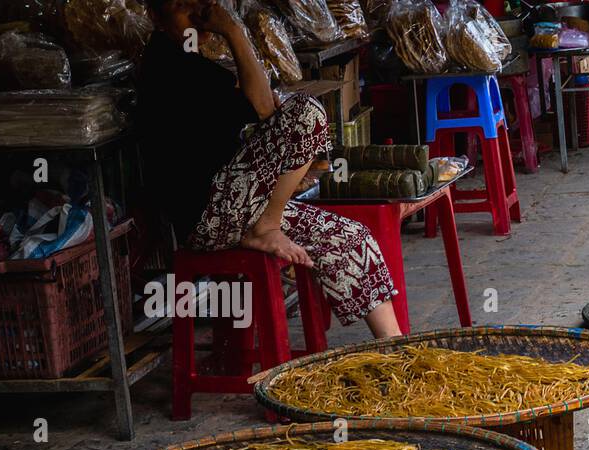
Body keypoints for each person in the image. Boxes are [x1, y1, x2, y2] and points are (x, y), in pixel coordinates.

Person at [136, 0, 400, 338]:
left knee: (351, 238)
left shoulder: (195, 64)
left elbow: (258, 105)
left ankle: (397, 352)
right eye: (183, 9)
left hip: (239, 211)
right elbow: (262, 106)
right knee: (306, 113)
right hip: (208, 219)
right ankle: (267, 227)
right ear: (156, 16)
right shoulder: (168, 65)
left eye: (200, 6)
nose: (198, 17)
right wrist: (233, 30)